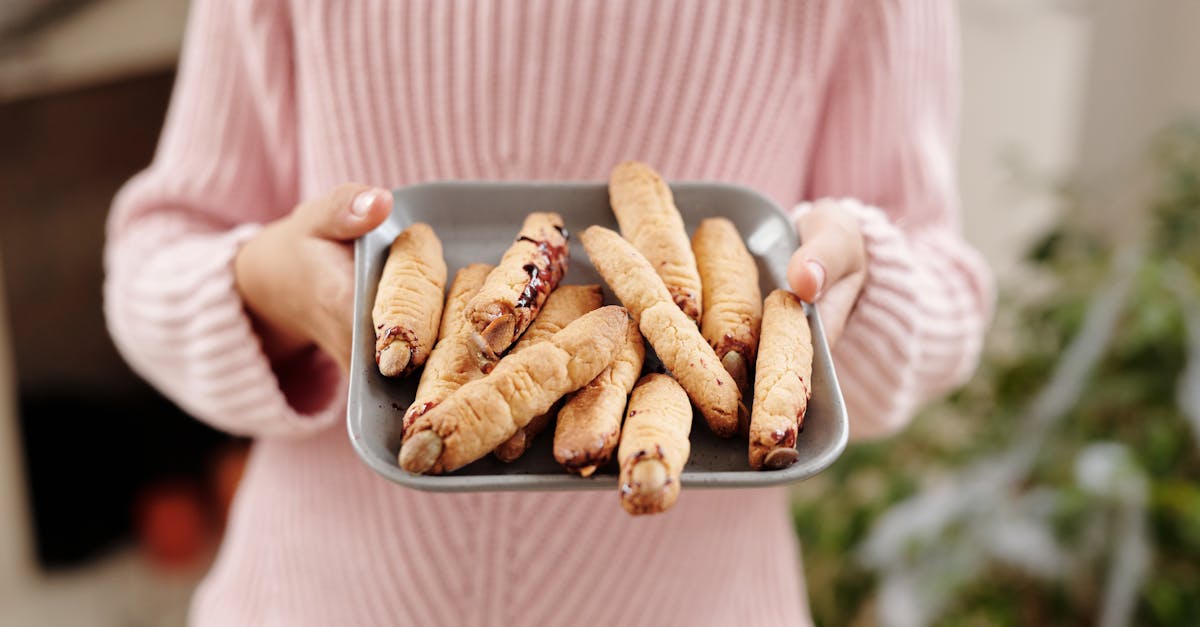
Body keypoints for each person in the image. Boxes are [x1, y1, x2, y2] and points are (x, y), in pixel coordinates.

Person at [104, 1, 994, 624]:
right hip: (315, 597)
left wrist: (836, 304)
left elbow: (949, 293)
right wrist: (261, 286)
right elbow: (154, 257)